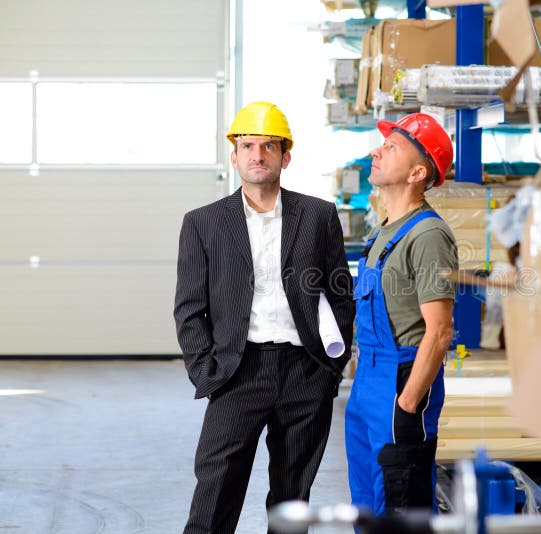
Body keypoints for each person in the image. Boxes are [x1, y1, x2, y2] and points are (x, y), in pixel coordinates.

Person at [174, 101, 355, 533]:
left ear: (285, 157)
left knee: (292, 500)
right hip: (237, 372)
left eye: (269, 146)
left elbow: (340, 294)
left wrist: (329, 368)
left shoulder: (317, 216)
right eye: (248, 145)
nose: (258, 155)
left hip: (304, 372)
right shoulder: (203, 223)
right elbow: (189, 308)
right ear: (234, 156)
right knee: (215, 492)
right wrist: (208, 372)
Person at [344, 112, 457, 515]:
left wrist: (408, 404)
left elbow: (440, 332)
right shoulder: (384, 232)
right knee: (368, 499)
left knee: (400, 502)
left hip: (399, 382)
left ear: (417, 172)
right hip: (369, 383)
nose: (377, 150)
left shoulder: (427, 235)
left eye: (391, 147)